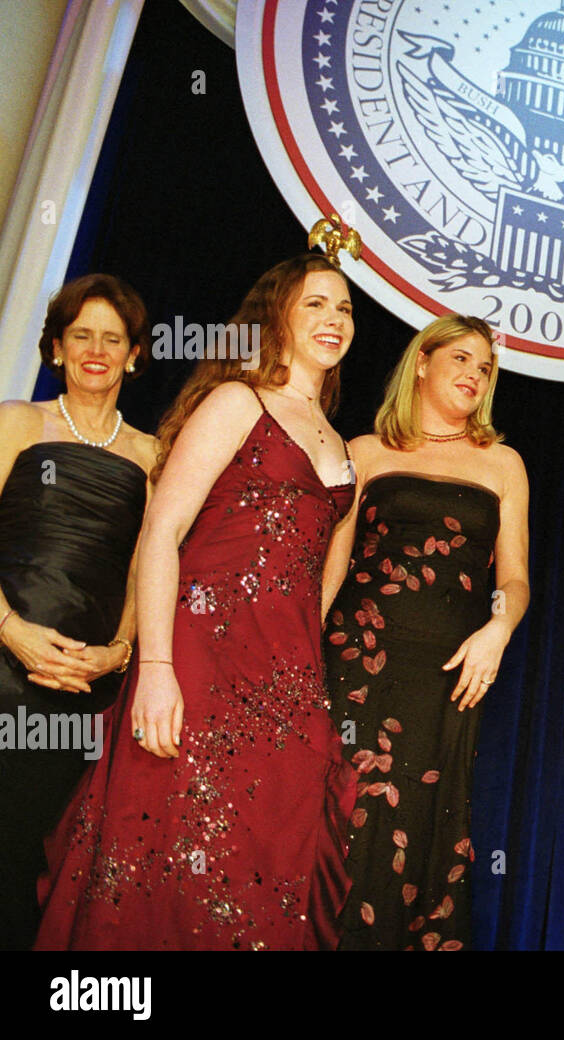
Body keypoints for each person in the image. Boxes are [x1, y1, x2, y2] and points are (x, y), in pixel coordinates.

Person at [36, 254, 359, 950]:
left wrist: (305, 681)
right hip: (199, 660)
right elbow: (162, 531)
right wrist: (155, 666)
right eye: (316, 305)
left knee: (259, 870)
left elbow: (321, 585)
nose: (334, 320)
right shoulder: (239, 401)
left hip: (286, 683)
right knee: (165, 856)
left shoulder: (339, 441)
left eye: (345, 309)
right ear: (277, 316)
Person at [322, 315, 529, 951]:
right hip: (356, 663)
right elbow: (329, 571)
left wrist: (500, 627)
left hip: (448, 672)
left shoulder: (504, 463)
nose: (474, 374)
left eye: (485, 367)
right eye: (461, 358)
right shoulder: (365, 451)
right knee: (342, 819)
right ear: (422, 362)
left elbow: (515, 579)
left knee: (415, 825)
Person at [0, 275, 156, 949]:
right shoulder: (16, 422)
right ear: (57, 349)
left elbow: (147, 574)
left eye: (112, 338)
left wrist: (120, 652)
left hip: (90, 689)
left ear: (134, 356)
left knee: (44, 863)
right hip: (5, 666)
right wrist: (13, 633)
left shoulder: (154, 456)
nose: (96, 349)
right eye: (81, 335)